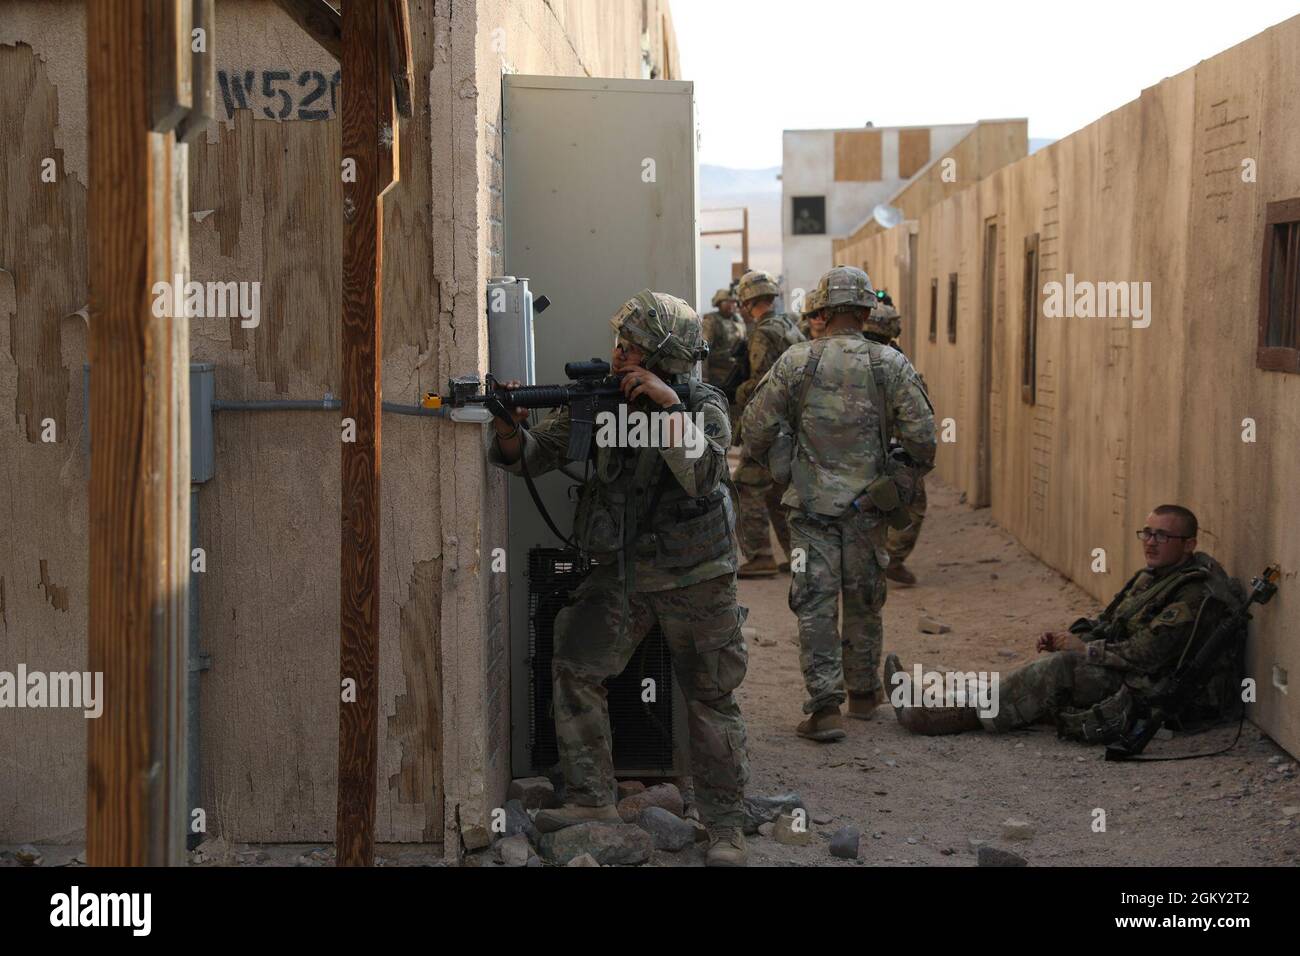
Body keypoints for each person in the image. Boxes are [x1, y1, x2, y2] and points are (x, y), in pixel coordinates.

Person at [487, 290, 751, 866]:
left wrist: (667, 409)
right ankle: (591, 799)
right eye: (619, 346)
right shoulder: (600, 401)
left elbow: (705, 475)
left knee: (711, 695)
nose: (617, 356)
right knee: (576, 663)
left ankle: (726, 826)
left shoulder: (702, 403)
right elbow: (533, 454)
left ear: (664, 359)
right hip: (624, 573)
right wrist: (508, 427)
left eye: (631, 349)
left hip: (696, 576)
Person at [742, 266, 936, 740]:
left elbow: (755, 429)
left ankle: (825, 709)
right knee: (866, 600)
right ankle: (865, 695)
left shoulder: (795, 362)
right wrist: (893, 484)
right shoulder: (889, 363)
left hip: (810, 510)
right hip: (869, 509)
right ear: (867, 310)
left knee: (815, 605)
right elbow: (923, 438)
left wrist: (785, 466)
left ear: (821, 312)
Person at [886, 504, 1242, 737]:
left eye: (1162, 536)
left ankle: (935, 719)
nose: (1150, 542)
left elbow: (1147, 655)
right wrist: (1073, 636)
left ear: (1189, 543)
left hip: (1155, 692)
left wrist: (1084, 651)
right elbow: (1110, 622)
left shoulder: (1192, 594)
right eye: (1147, 533)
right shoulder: (1157, 576)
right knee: (1037, 671)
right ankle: (935, 695)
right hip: (1132, 674)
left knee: (1057, 670)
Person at [732, 269, 804, 577]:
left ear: (747, 303)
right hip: (794, 422)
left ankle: (760, 554)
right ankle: (796, 556)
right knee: (779, 492)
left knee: (746, 485)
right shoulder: (790, 325)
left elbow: (763, 382)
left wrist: (739, 390)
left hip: (771, 423)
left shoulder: (763, 332)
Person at [862, 291, 927, 586]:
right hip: (893, 448)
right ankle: (892, 557)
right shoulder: (898, 363)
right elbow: (918, 413)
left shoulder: (847, 356)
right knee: (912, 504)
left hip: (850, 448)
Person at [701, 288, 746, 392]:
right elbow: (703, 349)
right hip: (718, 377)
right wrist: (704, 378)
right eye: (727, 302)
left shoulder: (738, 321)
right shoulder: (711, 322)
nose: (731, 305)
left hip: (736, 376)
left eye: (734, 302)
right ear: (718, 303)